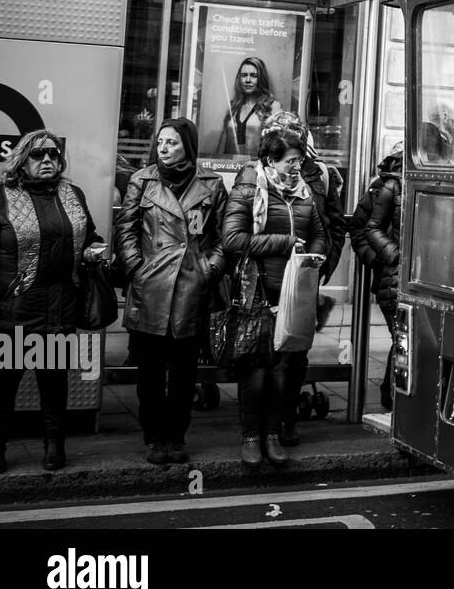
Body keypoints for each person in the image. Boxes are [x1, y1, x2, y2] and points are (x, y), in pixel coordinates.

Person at [114, 118, 227, 465]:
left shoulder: (211, 184)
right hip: (150, 289)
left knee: (183, 374)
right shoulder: (141, 179)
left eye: (172, 143)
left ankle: (176, 436)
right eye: (160, 142)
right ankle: (153, 437)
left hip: (191, 288)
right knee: (149, 373)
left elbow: (224, 239)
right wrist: (137, 267)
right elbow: (125, 228)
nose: (163, 149)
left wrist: (207, 270)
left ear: (188, 146)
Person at [0, 130, 105, 474]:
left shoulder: (72, 195)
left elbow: (91, 236)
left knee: (53, 382)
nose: (47, 161)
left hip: (59, 308)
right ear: (21, 160)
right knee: (4, 384)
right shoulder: (2, 197)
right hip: (15, 311)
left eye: (54, 155)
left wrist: (93, 251)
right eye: (38, 155)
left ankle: (53, 445)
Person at [221, 129, 325, 468]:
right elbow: (234, 239)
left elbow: (320, 234)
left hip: (292, 293)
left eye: (300, 161)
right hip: (256, 291)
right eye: (291, 162)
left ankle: (272, 434)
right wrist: (284, 243)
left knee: (283, 368)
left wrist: (313, 260)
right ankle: (251, 437)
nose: (297, 168)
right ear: (270, 161)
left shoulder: (305, 192)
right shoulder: (250, 187)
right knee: (255, 369)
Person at [256, 112, 345, 447]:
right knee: (265, 354)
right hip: (268, 279)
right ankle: (264, 425)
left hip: (305, 278)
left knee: (296, 354)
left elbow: (333, 224)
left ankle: (286, 420)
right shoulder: (262, 173)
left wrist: (320, 267)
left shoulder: (318, 173)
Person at [361, 144, 403, 410]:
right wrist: (396, 256)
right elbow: (370, 228)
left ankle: (393, 394)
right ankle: (393, 396)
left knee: (403, 339)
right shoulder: (392, 186)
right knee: (402, 337)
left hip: (420, 274)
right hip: (395, 276)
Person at [216, 57, 283, 158]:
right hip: (228, 168)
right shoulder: (233, 107)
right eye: (244, 75)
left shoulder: (273, 107)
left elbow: (278, 148)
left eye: (253, 76)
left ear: (261, 78)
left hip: (257, 170)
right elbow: (221, 147)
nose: (248, 80)